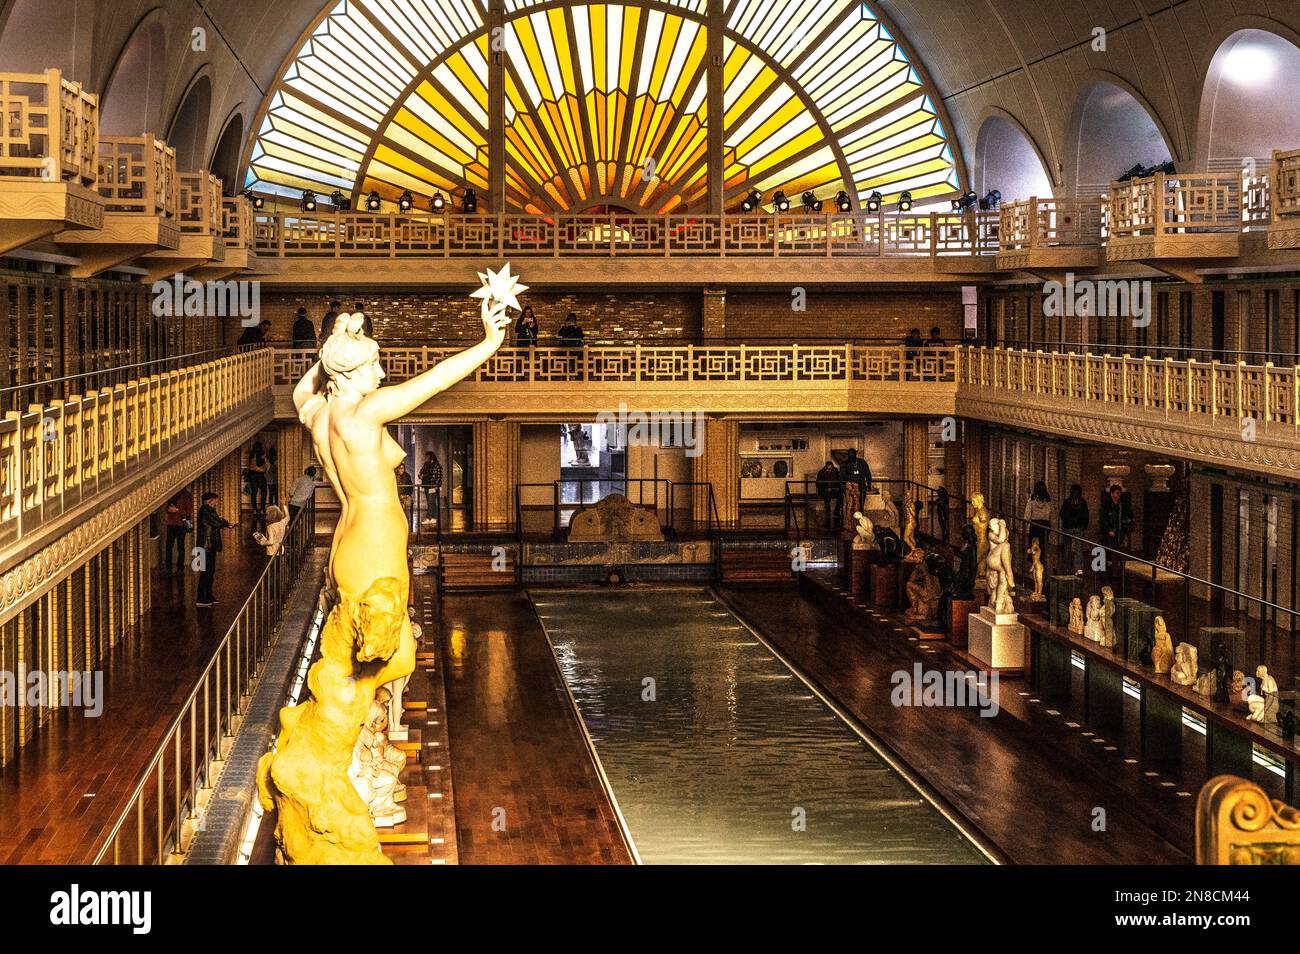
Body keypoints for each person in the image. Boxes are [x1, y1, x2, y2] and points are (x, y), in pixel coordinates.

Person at [196, 491, 231, 607]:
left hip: (210, 545)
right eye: (215, 500)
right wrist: (225, 523)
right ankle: (201, 598)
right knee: (205, 572)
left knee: (210, 571)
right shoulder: (205, 511)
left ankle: (209, 595)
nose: (217, 502)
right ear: (209, 500)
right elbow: (217, 522)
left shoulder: (210, 510)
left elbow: (218, 520)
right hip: (204, 546)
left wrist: (224, 522)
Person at [1059, 483, 1090, 573]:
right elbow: (1086, 515)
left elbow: (1061, 513)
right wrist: (1084, 526)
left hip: (1067, 527)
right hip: (1078, 527)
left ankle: (1068, 567)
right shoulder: (1082, 502)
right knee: (1078, 549)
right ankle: (1079, 568)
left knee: (1067, 548)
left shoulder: (1067, 501)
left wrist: (1067, 520)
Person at [163, 487, 194, 576]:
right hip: (171, 523)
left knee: (180, 546)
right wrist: (169, 510)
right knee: (168, 546)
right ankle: (168, 567)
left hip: (180, 524)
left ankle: (180, 568)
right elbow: (166, 508)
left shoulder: (187, 495)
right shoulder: (171, 494)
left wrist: (177, 511)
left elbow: (189, 511)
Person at [1100, 483, 1133, 559]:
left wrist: (1127, 523)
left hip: (1121, 531)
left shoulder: (1123, 504)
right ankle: (1113, 569)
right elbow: (1103, 519)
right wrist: (1109, 530)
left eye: (1120, 493)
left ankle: (1121, 569)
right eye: (1117, 493)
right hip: (1111, 532)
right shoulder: (1107, 504)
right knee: (1113, 552)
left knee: (1122, 552)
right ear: (1112, 494)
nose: (1119, 495)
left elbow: (1130, 515)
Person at [1023, 480, 1052, 567]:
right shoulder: (1048, 501)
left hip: (1035, 525)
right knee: (1042, 544)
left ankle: (1032, 562)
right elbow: (1050, 513)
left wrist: (1026, 522)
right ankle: (1041, 561)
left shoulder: (1031, 500)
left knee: (1033, 544)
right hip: (1045, 525)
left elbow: (1027, 514)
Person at [418, 450, 443, 523]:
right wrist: (420, 476)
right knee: (431, 502)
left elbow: (439, 476)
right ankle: (434, 517)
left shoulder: (437, 465)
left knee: (431, 502)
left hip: (432, 486)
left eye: (427, 456)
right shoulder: (425, 464)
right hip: (426, 485)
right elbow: (420, 473)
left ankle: (428, 518)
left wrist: (438, 485)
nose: (425, 458)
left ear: (430, 457)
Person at [815, 460, 841, 528]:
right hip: (825, 491)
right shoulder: (821, 473)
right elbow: (818, 484)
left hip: (834, 490)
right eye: (828, 469)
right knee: (827, 497)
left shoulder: (835, 471)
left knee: (840, 496)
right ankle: (828, 512)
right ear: (826, 468)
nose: (830, 470)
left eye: (831, 469)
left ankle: (837, 511)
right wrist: (826, 488)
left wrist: (837, 487)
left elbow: (838, 481)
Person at [247, 441, 269, 515]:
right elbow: (264, 467)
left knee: (254, 493)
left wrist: (260, 469)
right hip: (260, 476)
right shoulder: (260, 455)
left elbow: (252, 467)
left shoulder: (253, 454)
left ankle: (255, 509)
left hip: (254, 476)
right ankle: (262, 509)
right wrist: (262, 470)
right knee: (263, 493)